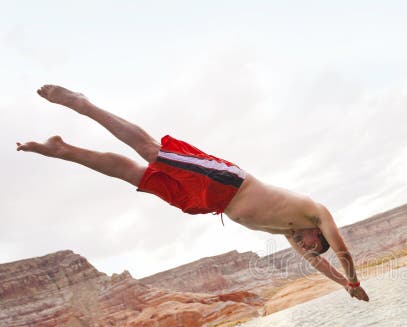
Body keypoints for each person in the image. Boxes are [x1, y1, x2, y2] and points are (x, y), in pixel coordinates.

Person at [16, 85, 369, 302]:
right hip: (227, 183)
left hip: (208, 204)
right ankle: (82, 104)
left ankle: (62, 150)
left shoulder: (289, 233)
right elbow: (341, 251)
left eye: (306, 247)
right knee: (152, 152)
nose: (306, 247)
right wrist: (353, 277)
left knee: (135, 177)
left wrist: (344, 287)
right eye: (311, 243)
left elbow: (319, 263)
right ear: (316, 233)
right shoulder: (315, 212)